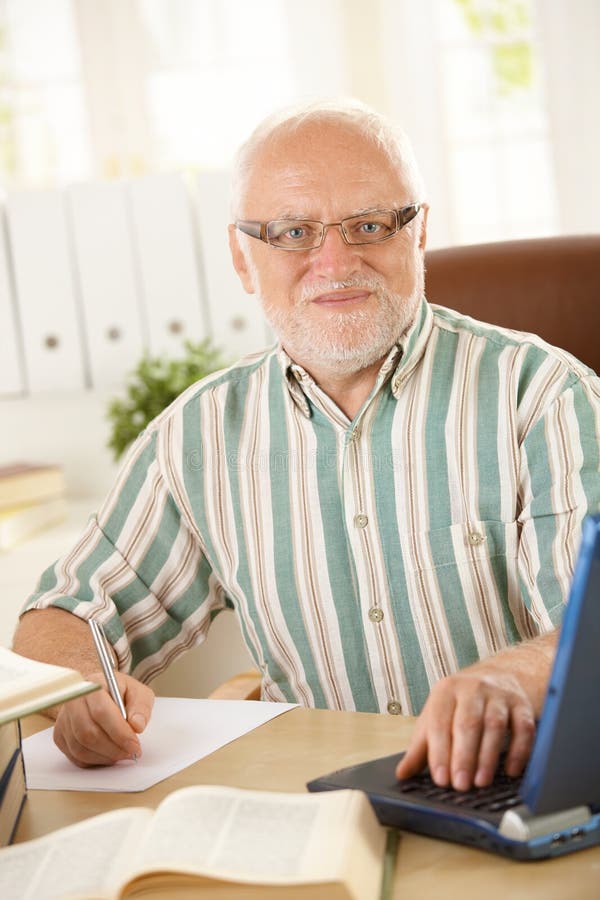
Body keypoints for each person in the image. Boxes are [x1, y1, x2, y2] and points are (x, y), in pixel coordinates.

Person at [13, 99, 600, 793]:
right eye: (293, 232)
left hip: (519, 789)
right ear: (243, 258)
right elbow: (64, 611)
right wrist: (80, 686)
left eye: (369, 225)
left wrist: (514, 676)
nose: (335, 261)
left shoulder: (542, 395)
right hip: (319, 802)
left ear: (418, 233)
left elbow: (589, 633)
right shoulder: (200, 434)